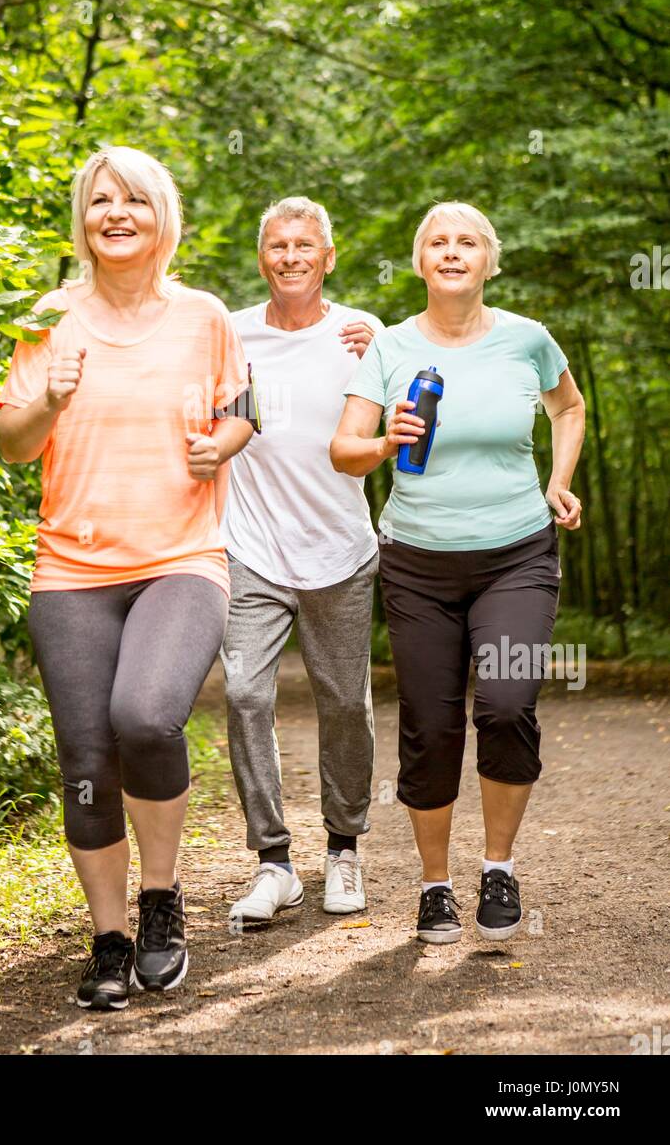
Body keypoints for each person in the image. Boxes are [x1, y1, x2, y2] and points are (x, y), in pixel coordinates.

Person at [0, 145, 257, 1009]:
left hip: (181, 558)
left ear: (161, 216)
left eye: (135, 200)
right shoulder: (48, 317)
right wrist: (50, 400)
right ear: (84, 217)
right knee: (85, 757)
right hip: (70, 570)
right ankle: (108, 939)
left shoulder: (205, 316)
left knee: (145, 716)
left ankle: (161, 900)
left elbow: (243, 408)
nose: (117, 213)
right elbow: (14, 442)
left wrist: (223, 442)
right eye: (101, 199)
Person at [330, 201, 585, 944]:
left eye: (466, 241)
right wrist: (384, 442)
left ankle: (498, 868)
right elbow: (342, 449)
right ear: (420, 263)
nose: (451, 251)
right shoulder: (390, 347)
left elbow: (568, 409)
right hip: (417, 565)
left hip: (517, 554)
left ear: (489, 261)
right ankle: (435, 886)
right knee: (431, 728)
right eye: (436, 242)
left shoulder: (527, 341)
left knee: (506, 707)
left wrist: (559, 480)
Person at [219, 196, 382, 927]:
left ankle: (344, 848)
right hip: (251, 546)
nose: (290, 257)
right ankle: (274, 862)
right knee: (245, 694)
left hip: (340, 549)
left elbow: (395, 426)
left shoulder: (362, 334)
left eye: (304, 246)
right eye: (277, 245)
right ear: (263, 257)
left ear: (328, 257)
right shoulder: (230, 333)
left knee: (345, 703)